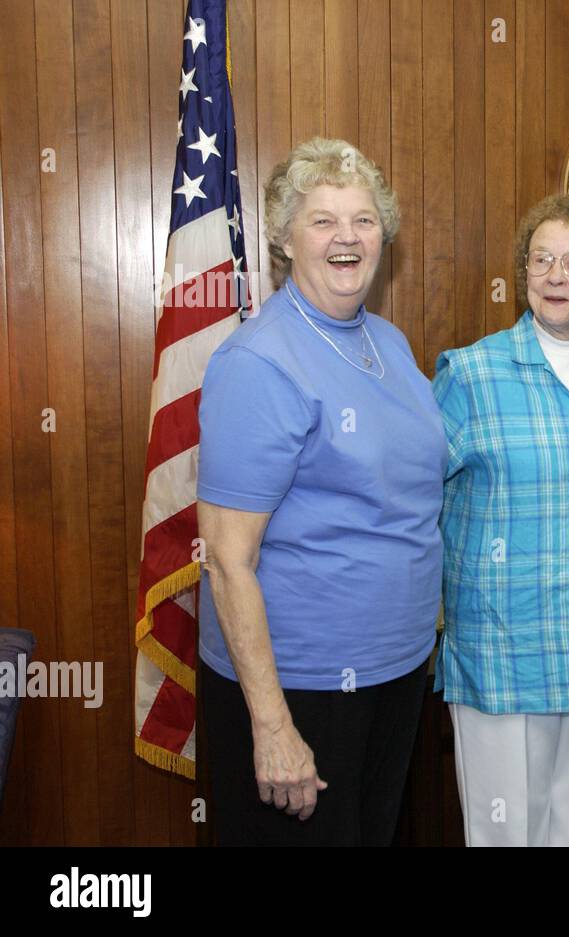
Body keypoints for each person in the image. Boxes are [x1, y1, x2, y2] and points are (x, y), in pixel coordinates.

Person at [197, 137, 445, 845]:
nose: (347, 237)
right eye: (323, 219)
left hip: (395, 674)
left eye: (363, 219)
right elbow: (226, 559)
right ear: (283, 237)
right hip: (301, 689)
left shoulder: (388, 342)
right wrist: (272, 725)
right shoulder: (257, 362)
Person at [433, 194, 569, 847]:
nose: (556, 276)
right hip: (501, 651)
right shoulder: (469, 372)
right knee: (504, 836)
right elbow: (414, 500)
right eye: (541, 259)